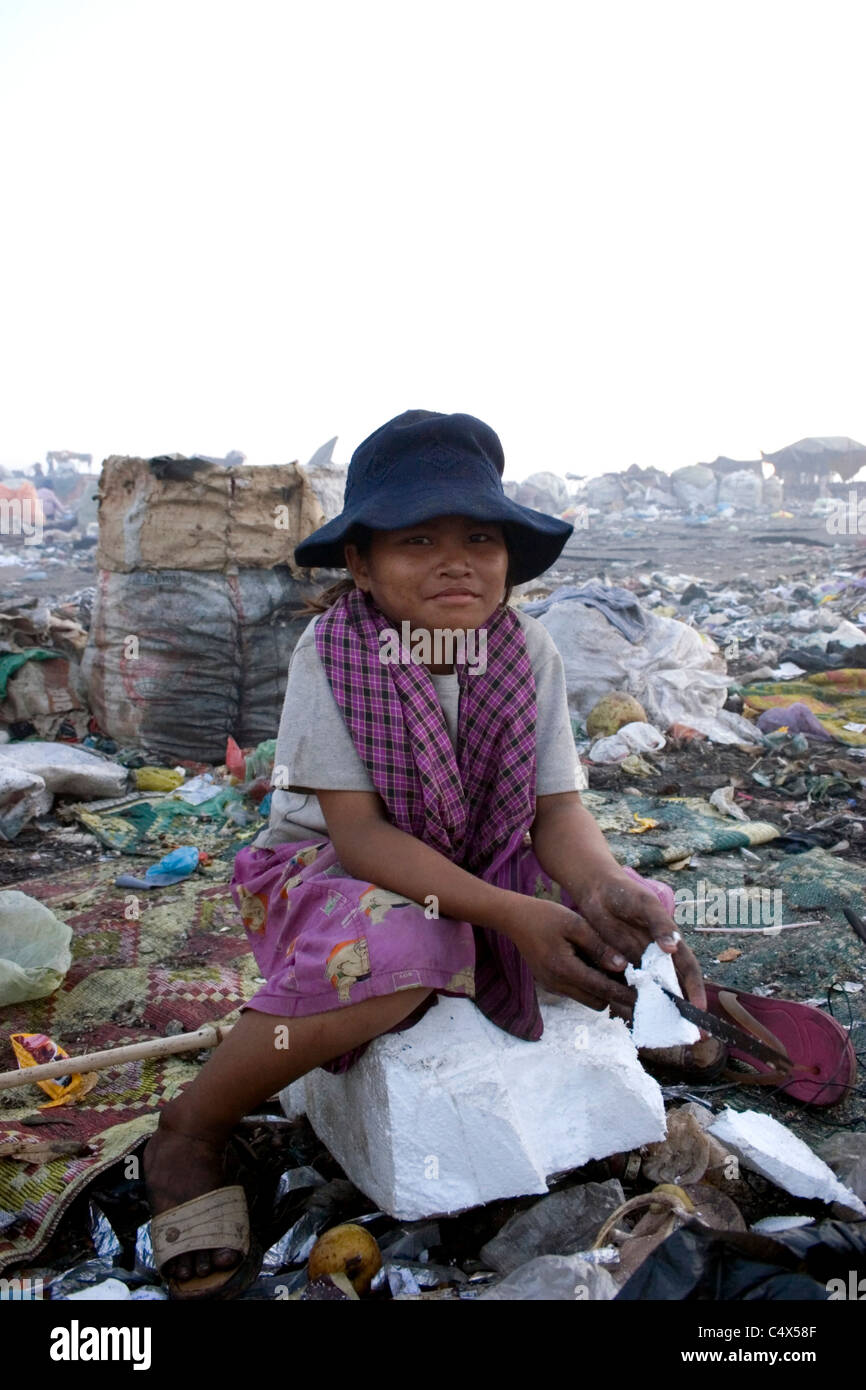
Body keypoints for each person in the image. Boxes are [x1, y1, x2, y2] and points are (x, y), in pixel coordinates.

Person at [144, 409, 709, 1299]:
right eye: (417, 539)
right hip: (328, 872)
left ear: (510, 559)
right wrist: (508, 913)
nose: (455, 560)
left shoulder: (528, 651)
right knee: (409, 949)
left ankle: (661, 1015)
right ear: (362, 563)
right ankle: (192, 1127)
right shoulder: (334, 653)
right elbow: (360, 838)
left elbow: (555, 814)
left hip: (479, 855)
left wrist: (600, 888)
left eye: (480, 537)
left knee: (632, 915)